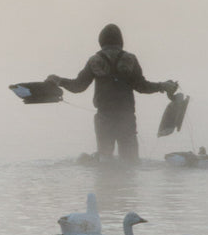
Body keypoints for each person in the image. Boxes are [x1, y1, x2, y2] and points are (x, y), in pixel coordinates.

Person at [47, 23, 178, 162]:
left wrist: (59, 80)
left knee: (105, 162)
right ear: (120, 41)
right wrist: (162, 86)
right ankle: (129, 184)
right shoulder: (130, 59)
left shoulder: (95, 61)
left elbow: (78, 86)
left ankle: (106, 180)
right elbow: (142, 86)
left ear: (101, 41)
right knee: (130, 162)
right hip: (126, 118)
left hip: (104, 119)